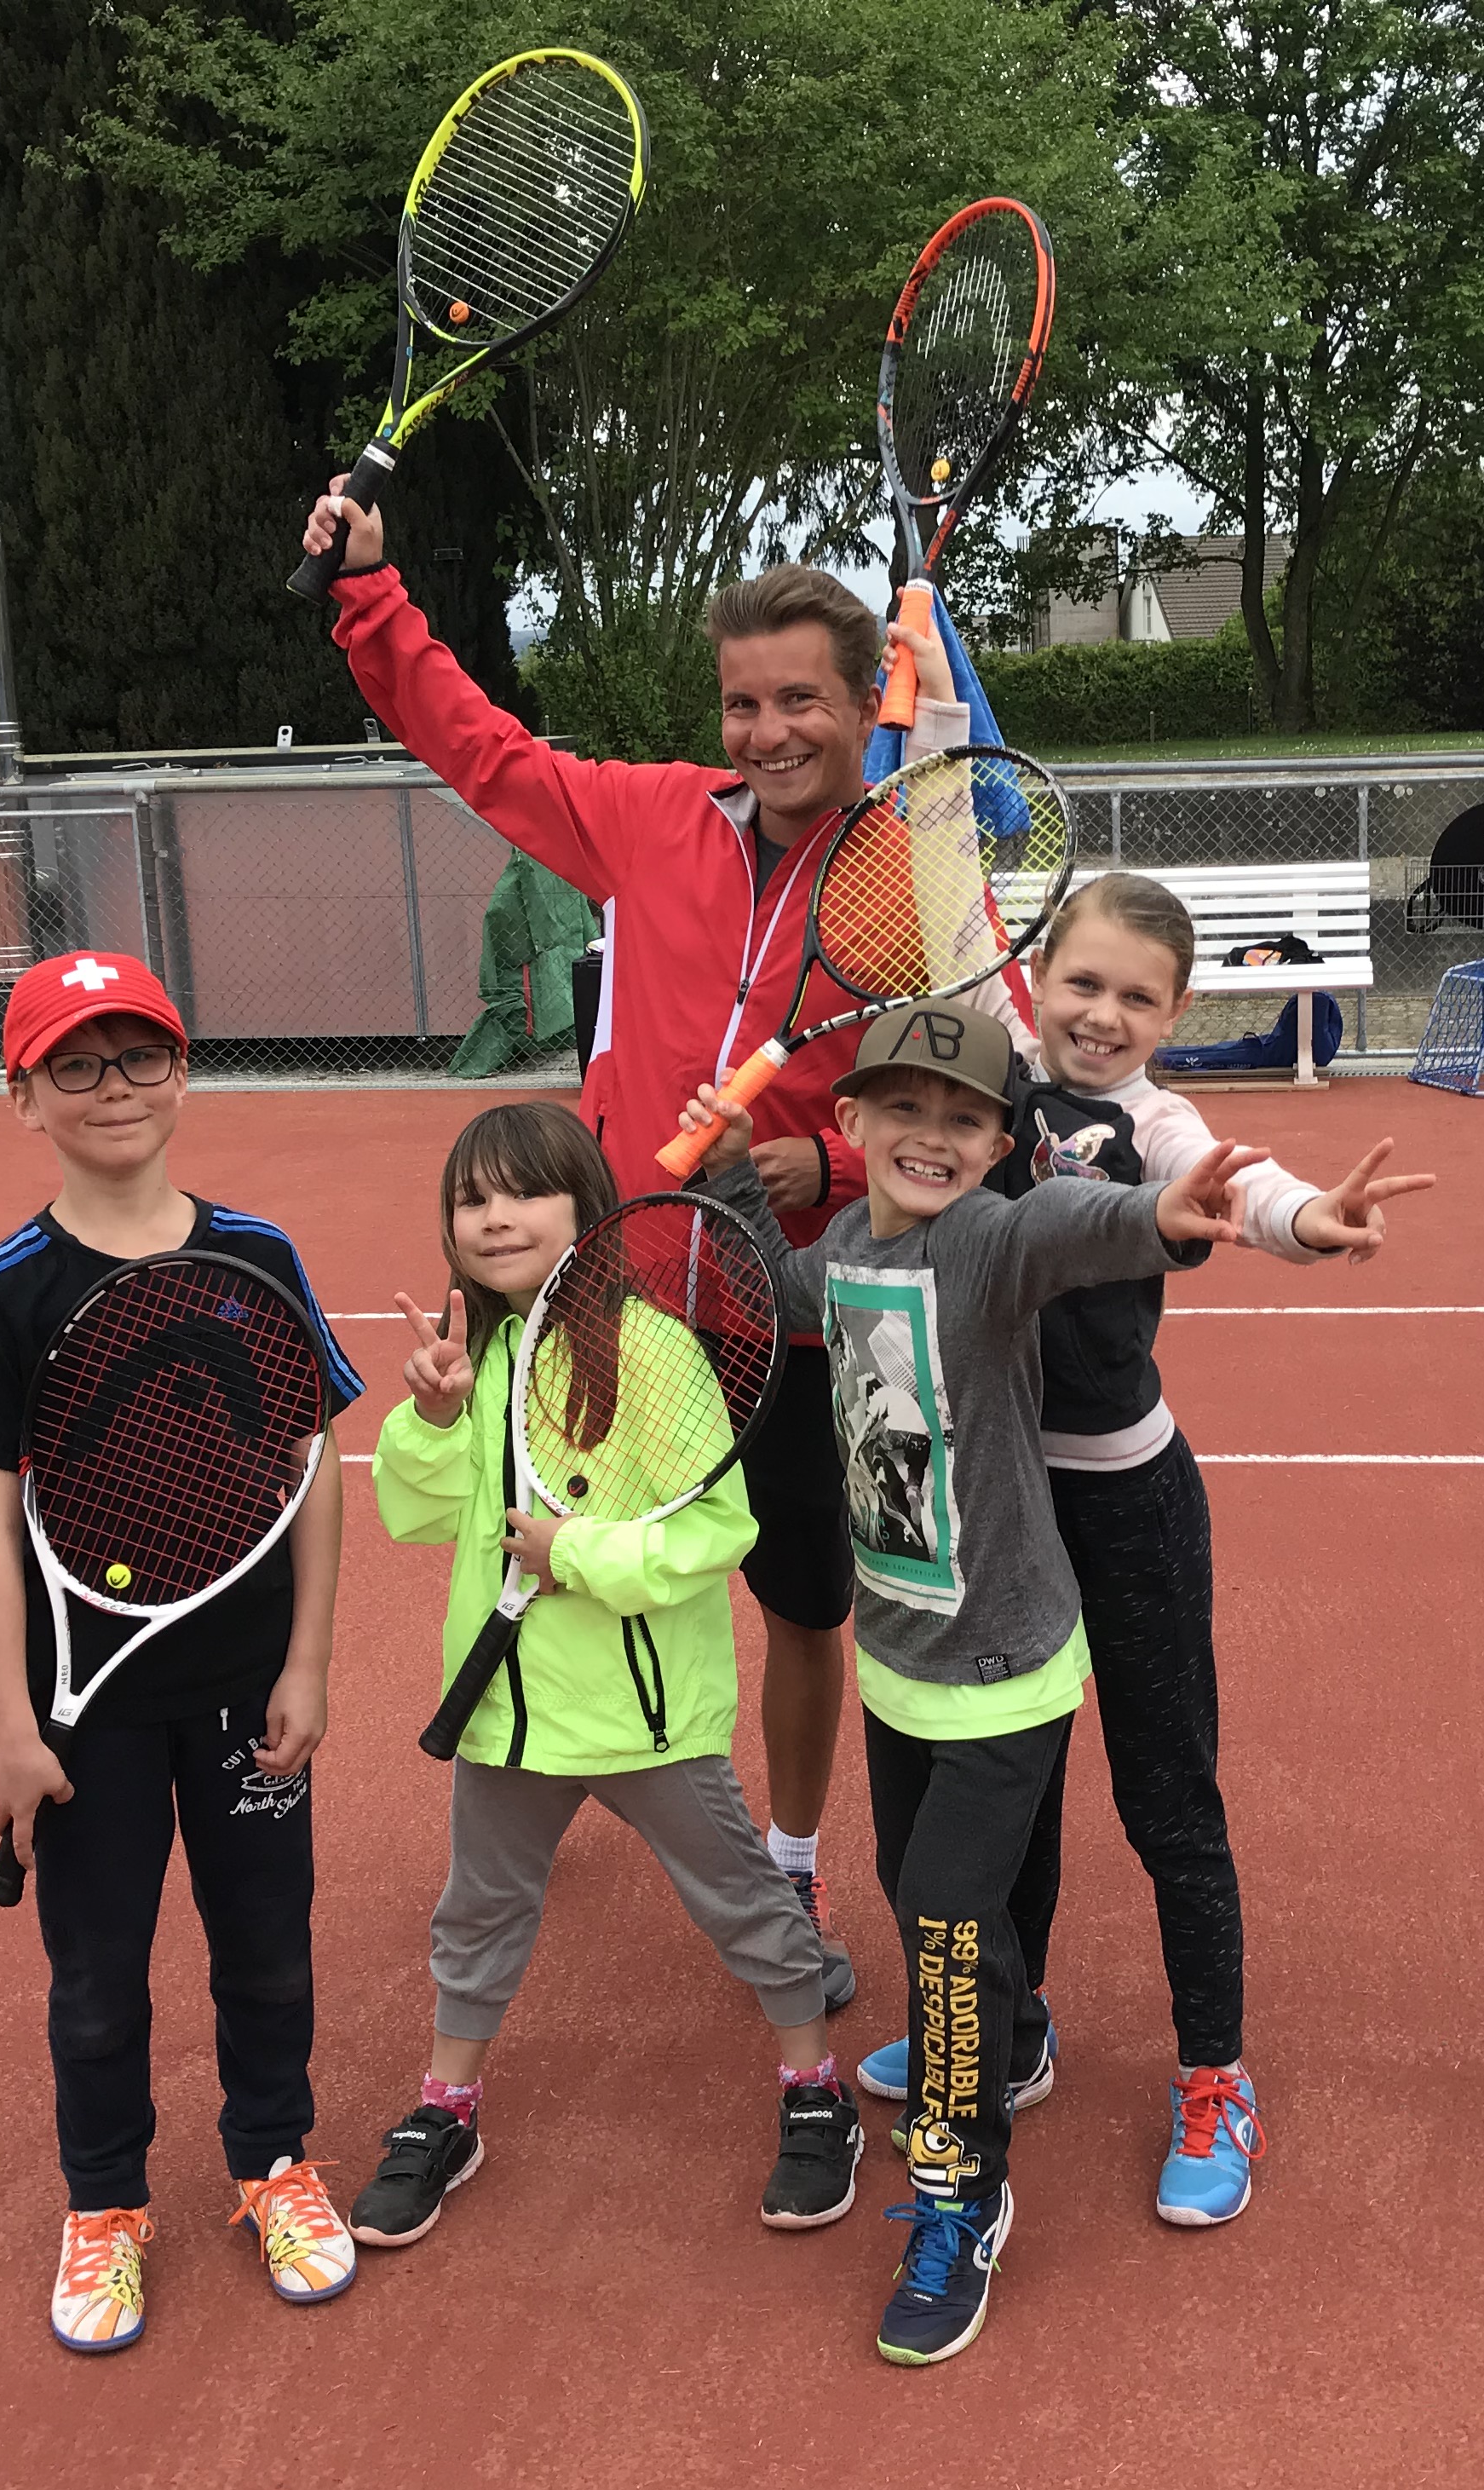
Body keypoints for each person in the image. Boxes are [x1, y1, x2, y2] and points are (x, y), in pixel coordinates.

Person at [302, 485, 1009, 1994]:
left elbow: (962, 1071)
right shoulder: (650, 817)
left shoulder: (904, 863)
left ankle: (797, 1863)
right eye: (743, 702)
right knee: (579, 1563)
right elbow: (481, 752)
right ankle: (551, 1803)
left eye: (801, 700)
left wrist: (816, 1156)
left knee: (814, 1609)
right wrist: (372, 593)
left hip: (812, 1313)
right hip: (636, 1309)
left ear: (855, 704)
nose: (767, 732)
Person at [846, 871, 1432, 2228]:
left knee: (1169, 1799)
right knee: (1018, 1800)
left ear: (1175, 1014)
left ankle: (1214, 2074)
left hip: (1126, 1507)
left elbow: (1238, 1187)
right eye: (1083, 982)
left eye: (1138, 996)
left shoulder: (1158, 1121)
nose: (1103, 1014)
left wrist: (1306, 1223)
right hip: (994, 1514)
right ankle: (1015, 2024)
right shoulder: (988, 1079)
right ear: (1035, 977)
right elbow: (899, 1114)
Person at [692, 1002, 1263, 2366]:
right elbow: (790, 1296)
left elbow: (1083, 1231)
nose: (932, 1138)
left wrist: (1162, 1214)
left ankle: (962, 2195)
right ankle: (1010, 2035)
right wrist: (722, 1160)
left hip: (1007, 1669)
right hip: (899, 1665)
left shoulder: (994, 1245)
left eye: (962, 1119)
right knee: (925, 1897)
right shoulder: (845, 1248)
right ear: (852, 1126)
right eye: (906, 1111)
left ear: (1002, 1143)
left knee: (942, 1928)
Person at [0, 948, 365, 2353]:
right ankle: (103, 2204)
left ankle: (274, 2163)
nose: (115, 1089)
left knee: (268, 1951)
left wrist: (309, 1663)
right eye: (77, 1065)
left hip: (245, 1697)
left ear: (184, 1071)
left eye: (141, 1056)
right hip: (82, 1708)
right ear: (25, 1095)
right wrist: (8, 1722)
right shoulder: (9, 1289)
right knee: (98, 1973)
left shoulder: (259, 1257)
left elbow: (311, 1469)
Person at [353, 1102, 866, 2249]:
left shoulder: (651, 1349)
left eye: (520, 1195)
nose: (492, 1220)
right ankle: (448, 2106)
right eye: (470, 1200)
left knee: (747, 1908)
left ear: (585, 1209)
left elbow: (712, 1534)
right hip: (508, 1718)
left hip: (648, 1724)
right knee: (477, 1915)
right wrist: (431, 1421)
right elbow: (426, 1517)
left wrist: (572, 1555)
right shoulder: (478, 1355)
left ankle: (812, 2088)